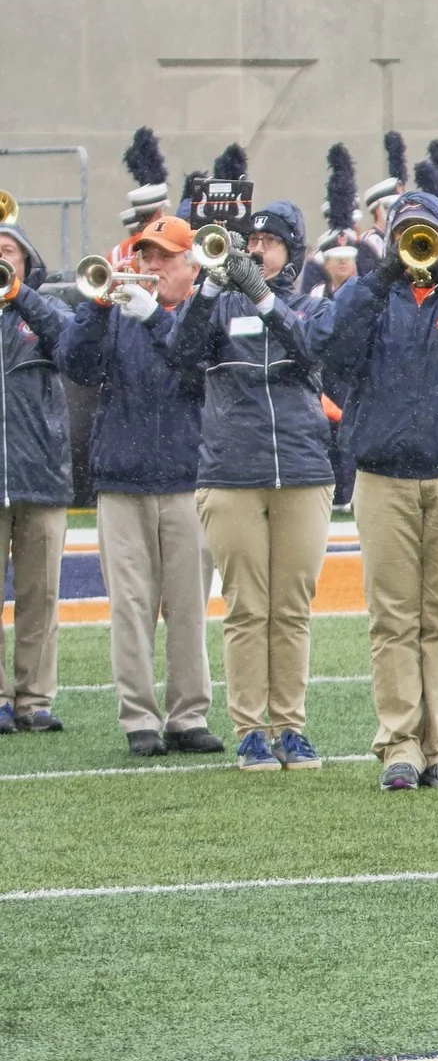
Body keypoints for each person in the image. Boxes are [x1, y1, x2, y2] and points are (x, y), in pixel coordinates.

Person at [308, 189, 438, 790]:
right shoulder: (371, 295)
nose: (417, 245)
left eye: (427, 234)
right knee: (393, 616)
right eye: (407, 235)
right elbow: (330, 345)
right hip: (385, 473)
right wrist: (379, 277)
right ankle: (399, 744)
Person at [170, 201, 333, 772]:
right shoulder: (216, 306)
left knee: (291, 608)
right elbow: (180, 355)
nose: (258, 248)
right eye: (252, 240)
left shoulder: (313, 303)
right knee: (246, 606)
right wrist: (211, 289)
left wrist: (262, 299)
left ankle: (290, 725)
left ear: (294, 251)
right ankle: (249, 730)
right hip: (231, 472)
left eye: (271, 241)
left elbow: (314, 350)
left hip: (302, 468)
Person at [60, 217, 223, 758]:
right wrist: (99, 306)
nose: (149, 267)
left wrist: (155, 318)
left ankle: (188, 715)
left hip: (185, 476)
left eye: (163, 258)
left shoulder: (203, 313)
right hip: (122, 479)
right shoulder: (116, 313)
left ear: (190, 266)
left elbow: (197, 371)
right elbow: (76, 365)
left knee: (187, 605)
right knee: (130, 607)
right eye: (145, 256)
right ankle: (138, 719)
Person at [0, 219, 73, 733]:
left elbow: (72, 341)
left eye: (8, 252)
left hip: (41, 473)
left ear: (27, 262)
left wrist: (19, 294)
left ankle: (34, 698)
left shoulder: (46, 310)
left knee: (40, 594)